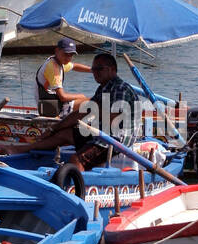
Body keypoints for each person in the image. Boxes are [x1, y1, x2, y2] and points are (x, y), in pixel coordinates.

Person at [8, 51, 140, 169]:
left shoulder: (120, 89)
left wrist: (92, 115)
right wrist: (53, 129)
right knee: (63, 134)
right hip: (101, 131)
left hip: (116, 139)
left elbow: (113, 121)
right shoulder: (103, 88)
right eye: (93, 69)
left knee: (76, 160)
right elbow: (82, 112)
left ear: (112, 70)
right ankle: (24, 149)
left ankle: (77, 188)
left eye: (99, 69)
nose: (95, 73)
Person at [34, 38, 92, 116]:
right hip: (50, 107)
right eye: (65, 54)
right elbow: (63, 97)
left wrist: (93, 70)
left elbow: (75, 66)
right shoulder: (53, 67)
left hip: (52, 103)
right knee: (91, 102)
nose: (68, 58)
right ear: (57, 51)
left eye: (71, 55)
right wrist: (81, 96)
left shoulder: (58, 61)